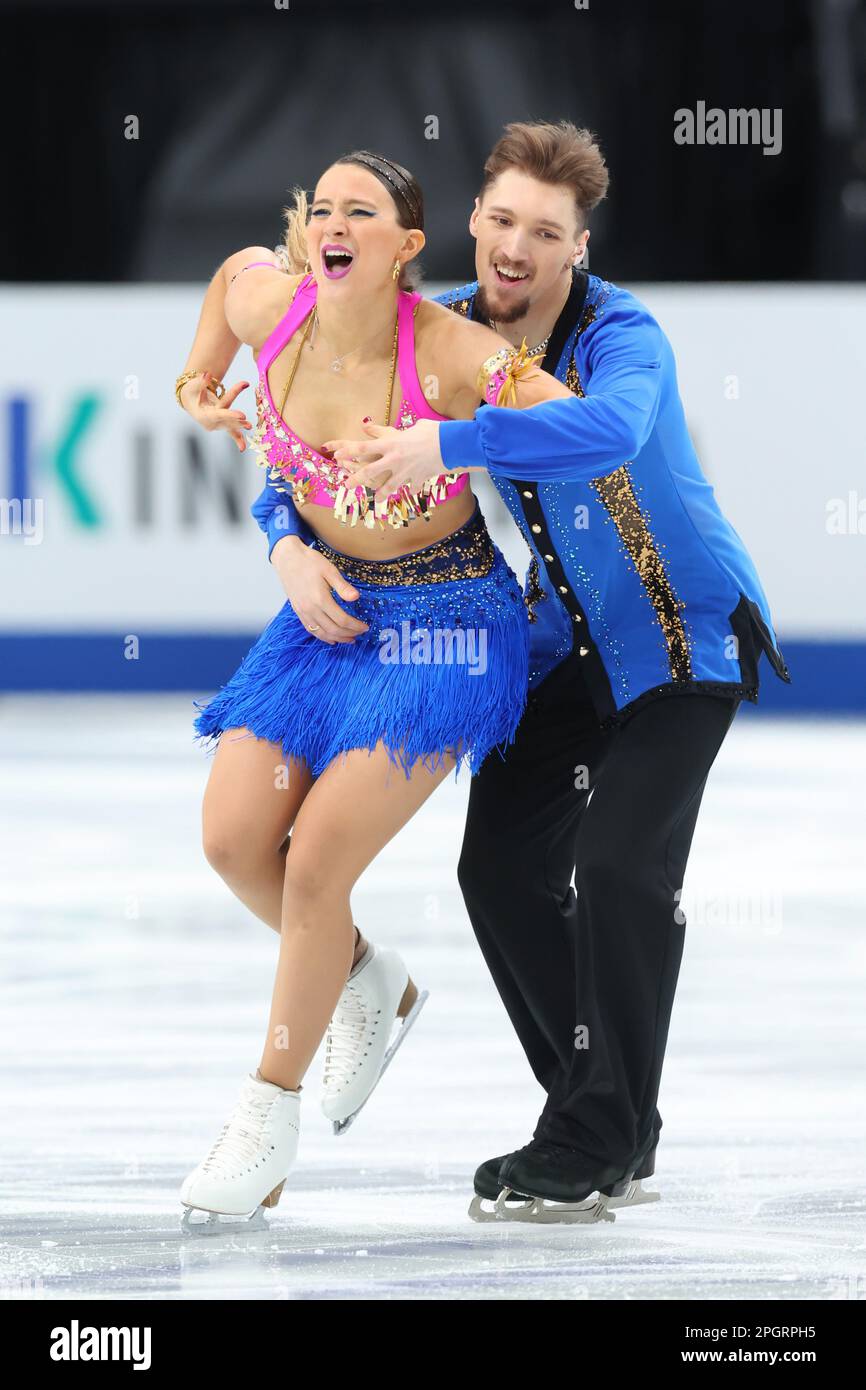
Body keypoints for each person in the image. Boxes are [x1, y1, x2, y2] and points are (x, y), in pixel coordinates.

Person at [250, 122, 791, 1223]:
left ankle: (594, 1127)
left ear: (574, 248)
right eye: (499, 219)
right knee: (496, 871)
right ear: (470, 224)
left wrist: (446, 447)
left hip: (679, 638)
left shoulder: (621, 333)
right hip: (560, 649)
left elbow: (605, 432)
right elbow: (300, 433)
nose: (514, 245)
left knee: (620, 869)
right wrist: (285, 538)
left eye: (543, 231)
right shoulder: (435, 330)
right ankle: (600, 1117)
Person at [174, 149, 574, 1228]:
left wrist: (452, 436)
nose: (333, 220)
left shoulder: (450, 351)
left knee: (313, 863)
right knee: (231, 838)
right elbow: (225, 278)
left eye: (364, 209)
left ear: (405, 248)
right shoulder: (273, 306)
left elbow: (581, 425)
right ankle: (364, 979)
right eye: (320, 207)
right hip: (326, 611)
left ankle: (266, 1118)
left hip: (449, 626)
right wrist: (197, 386)